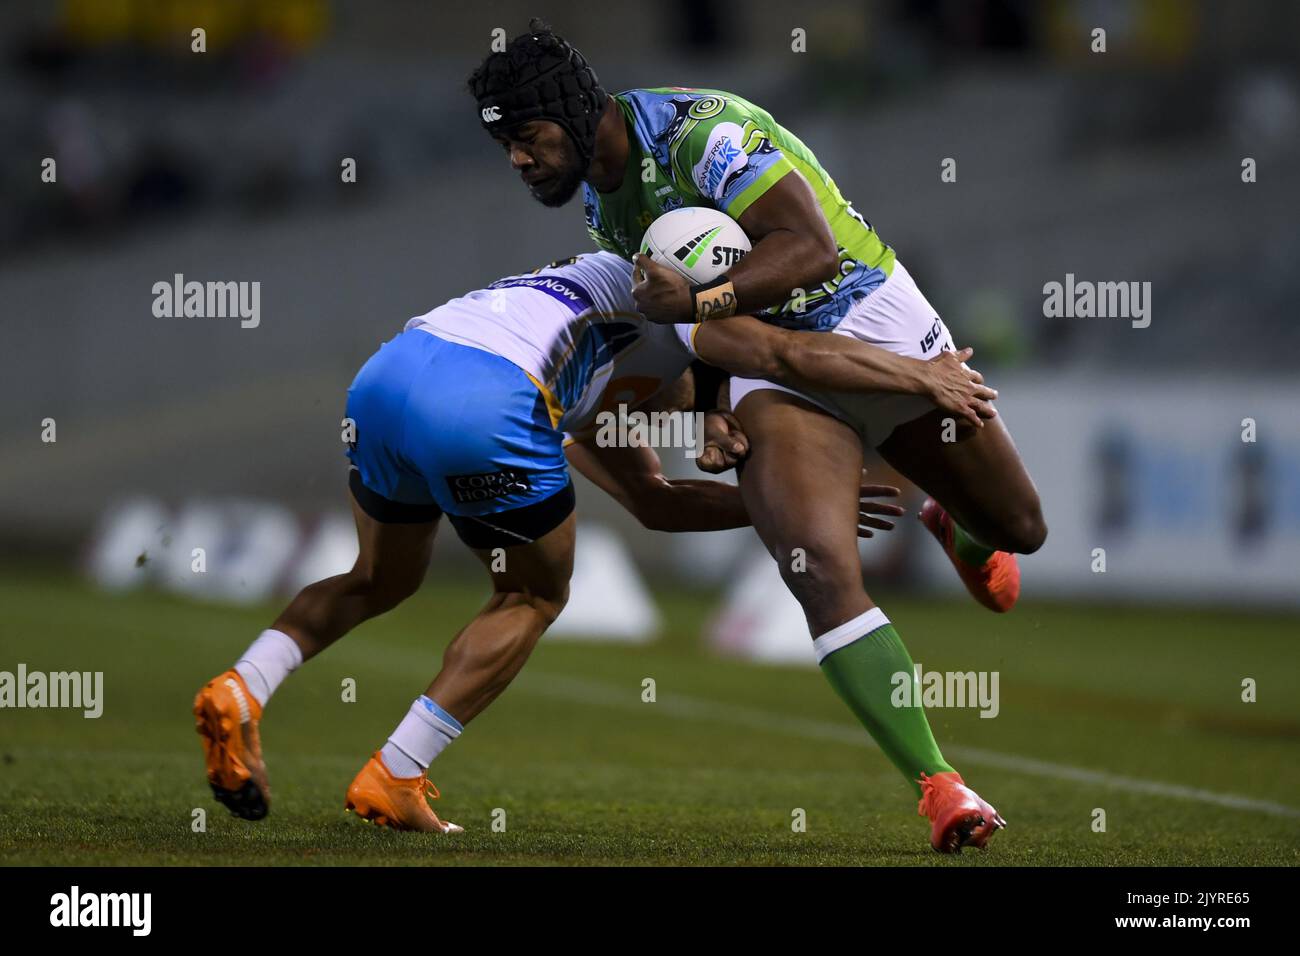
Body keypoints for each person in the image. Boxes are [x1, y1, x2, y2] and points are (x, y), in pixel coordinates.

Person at [469, 21, 1048, 850]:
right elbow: (702, 325)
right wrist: (711, 406)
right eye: (507, 147)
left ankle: (960, 524)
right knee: (814, 568)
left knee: (1021, 529)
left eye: (526, 139)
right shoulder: (604, 201)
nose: (520, 161)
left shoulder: (704, 135)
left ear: (570, 108)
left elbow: (807, 249)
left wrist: (704, 307)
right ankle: (941, 786)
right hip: (773, 370)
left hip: (873, 322)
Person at [193, 250, 991, 832]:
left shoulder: (597, 326)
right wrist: (913, 379)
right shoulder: (694, 321)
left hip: (392, 375)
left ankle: (242, 686)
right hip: (488, 399)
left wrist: (776, 508)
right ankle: (396, 772)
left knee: (378, 577)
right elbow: (789, 354)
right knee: (534, 592)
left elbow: (652, 500)